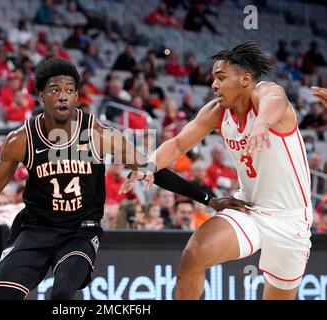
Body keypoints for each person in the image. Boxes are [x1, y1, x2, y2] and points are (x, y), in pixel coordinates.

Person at [0, 57, 248, 300]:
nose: (64, 97)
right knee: (1, 296)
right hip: (35, 229)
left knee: (62, 294)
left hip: (78, 230)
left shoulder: (98, 134)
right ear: (41, 94)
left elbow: (152, 167)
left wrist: (208, 198)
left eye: (70, 90)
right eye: (55, 90)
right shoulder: (21, 139)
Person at [122, 41, 313, 300]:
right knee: (194, 254)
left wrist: (261, 125)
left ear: (245, 80)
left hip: (291, 220)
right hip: (248, 209)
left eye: (221, 78)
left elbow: (275, 98)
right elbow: (178, 143)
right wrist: (149, 165)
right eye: (214, 78)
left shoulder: (264, 94)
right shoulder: (216, 112)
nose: (214, 85)